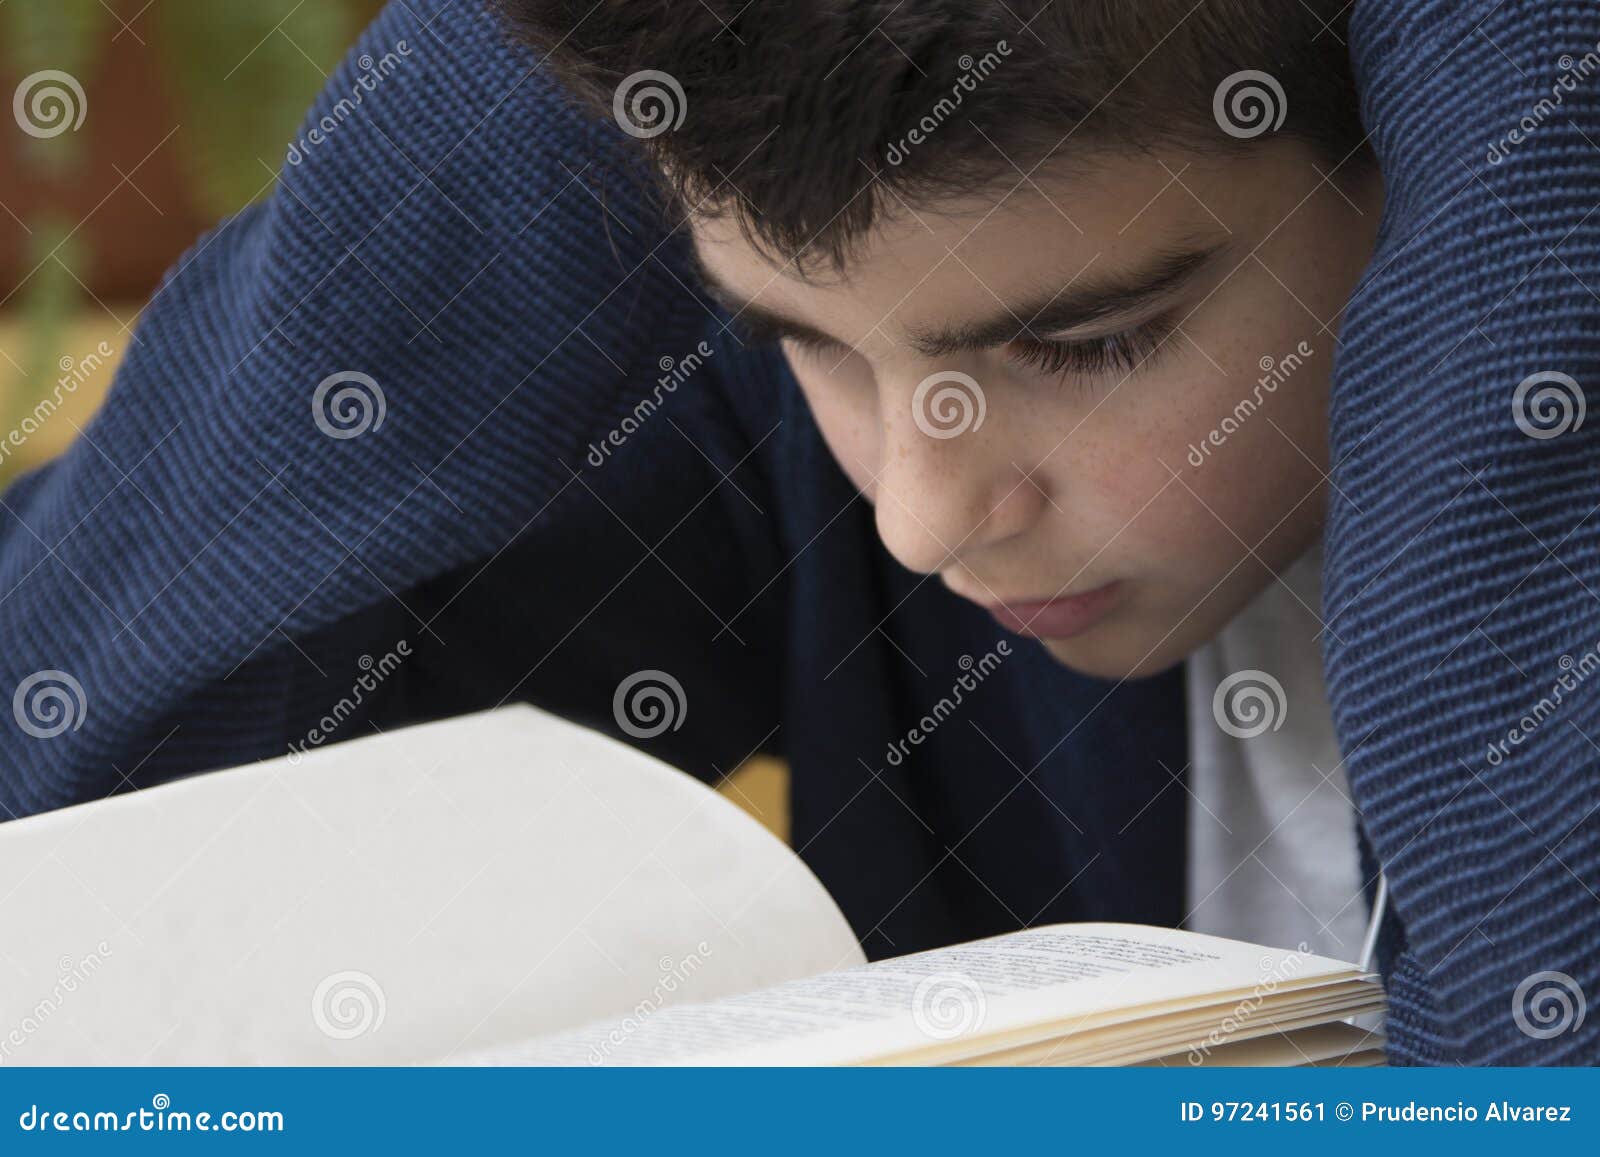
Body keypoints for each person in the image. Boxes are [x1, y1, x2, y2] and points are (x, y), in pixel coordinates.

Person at [0, 0, 1595, 1065]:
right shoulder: (763, 437)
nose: (921, 509)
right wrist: (525, 65)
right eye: (805, 340)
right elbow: (63, 819)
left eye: (1090, 344)